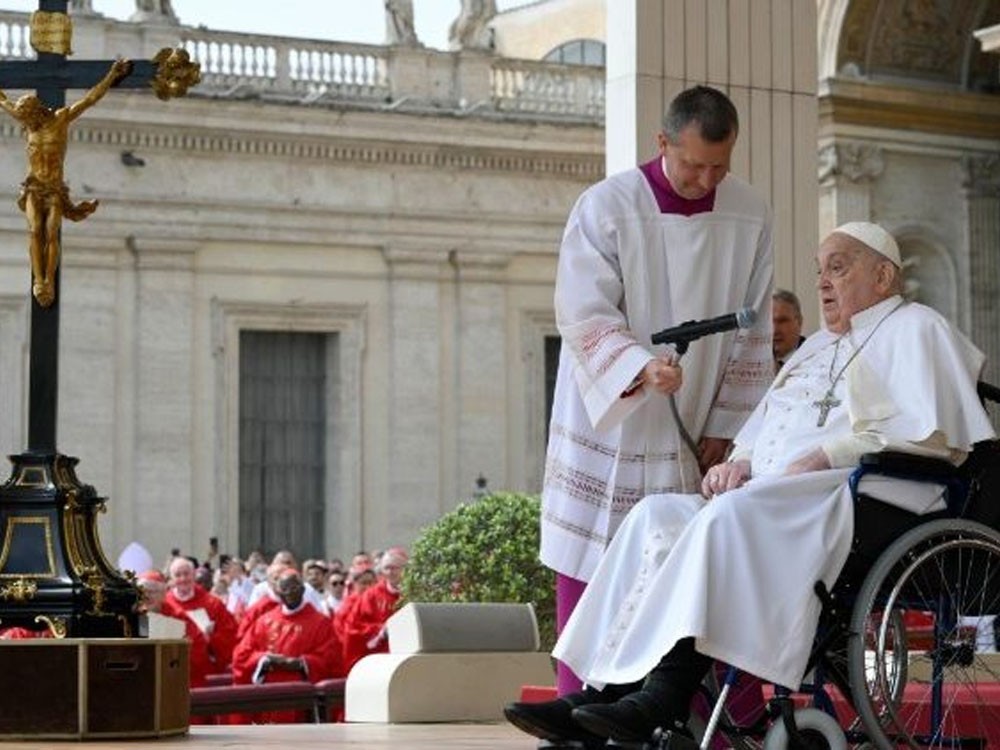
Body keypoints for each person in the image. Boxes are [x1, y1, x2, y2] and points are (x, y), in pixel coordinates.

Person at [506, 221, 995, 747]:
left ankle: (665, 693)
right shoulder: (816, 348)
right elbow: (767, 421)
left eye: (839, 267)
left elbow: (938, 439)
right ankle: (603, 687)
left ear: (882, 275)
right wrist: (738, 460)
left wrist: (825, 454)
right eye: (819, 270)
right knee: (656, 516)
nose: (823, 281)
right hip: (779, 495)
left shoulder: (918, 327)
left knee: (728, 517)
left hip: (866, 494)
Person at [542, 84, 773, 695]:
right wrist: (638, 368)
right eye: (693, 163)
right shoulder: (607, 205)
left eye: (719, 165)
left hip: (695, 423)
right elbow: (582, 309)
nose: (705, 179)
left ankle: (679, 715)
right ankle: (583, 710)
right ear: (663, 142)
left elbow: (755, 326)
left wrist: (728, 426)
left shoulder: (748, 211)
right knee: (598, 565)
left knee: (685, 571)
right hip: (613, 419)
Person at [0, 58, 132, 307]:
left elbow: (90, 99)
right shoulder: (28, 123)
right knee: (35, 229)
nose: (25, 122)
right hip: (33, 187)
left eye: (28, 117)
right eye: (24, 119)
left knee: (51, 232)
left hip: (54, 189)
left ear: (37, 111)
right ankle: (38, 281)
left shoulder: (60, 120)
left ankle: (49, 279)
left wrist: (112, 76)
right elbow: (3, 100)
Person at [231, 568, 343, 724]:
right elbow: (241, 655)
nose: (289, 593)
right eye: (285, 589)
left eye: (294, 588)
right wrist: (263, 659)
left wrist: (301, 663)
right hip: (268, 699)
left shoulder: (320, 623)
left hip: (303, 701)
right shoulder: (264, 621)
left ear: (303, 589)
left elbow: (331, 658)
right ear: (278, 592)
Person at [164, 556, 239, 676]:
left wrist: (212, 636)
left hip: (204, 673)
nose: (183, 579)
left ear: (194, 575)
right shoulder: (164, 604)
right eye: (178, 575)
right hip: (172, 670)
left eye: (186, 574)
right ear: (171, 579)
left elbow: (231, 635)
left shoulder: (212, 603)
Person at [338, 547, 407, 673]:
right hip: (380, 659)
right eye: (387, 568)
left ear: (405, 569)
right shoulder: (371, 596)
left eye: (395, 568)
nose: (390, 572)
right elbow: (354, 627)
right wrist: (381, 630)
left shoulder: (415, 594)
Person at [772, 288, 806, 371]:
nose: (774, 330)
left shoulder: (817, 360)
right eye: (768, 323)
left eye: (782, 321)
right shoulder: (750, 362)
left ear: (799, 322)